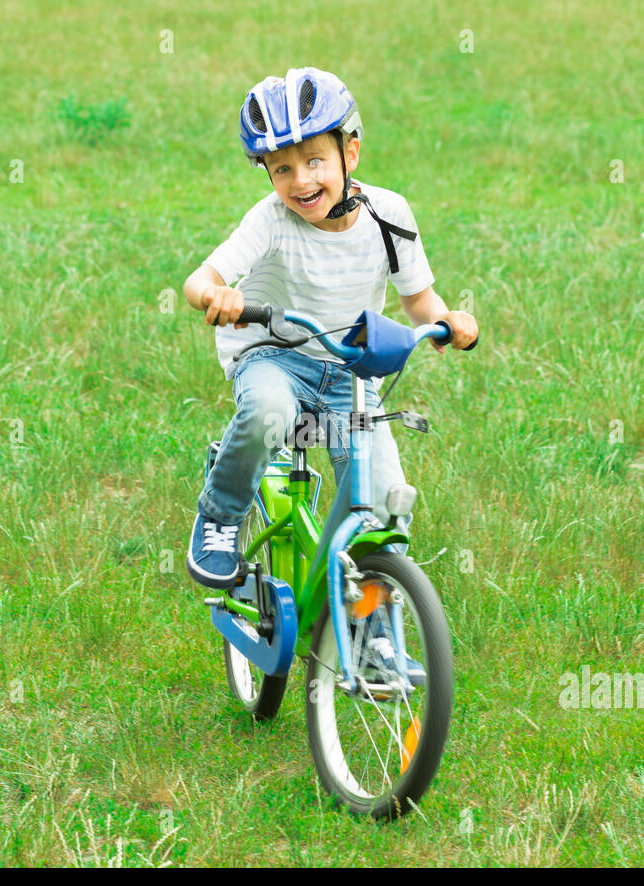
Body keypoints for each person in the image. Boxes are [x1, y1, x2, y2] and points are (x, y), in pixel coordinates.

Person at [182, 68, 478, 680]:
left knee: (384, 503)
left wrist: (448, 321)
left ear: (350, 152)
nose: (300, 181)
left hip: (349, 371)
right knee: (268, 414)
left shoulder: (390, 215)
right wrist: (217, 294)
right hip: (275, 356)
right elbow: (200, 279)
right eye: (282, 168)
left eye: (314, 161)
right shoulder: (270, 220)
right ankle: (221, 510)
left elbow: (420, 302)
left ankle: (372, 636)